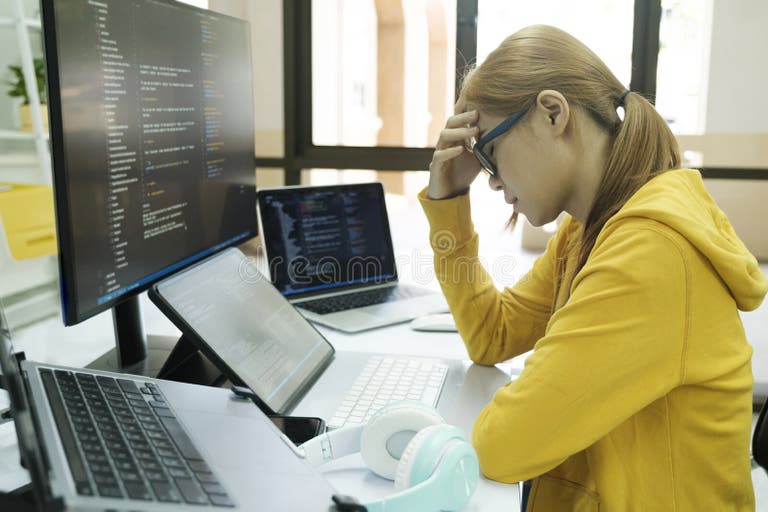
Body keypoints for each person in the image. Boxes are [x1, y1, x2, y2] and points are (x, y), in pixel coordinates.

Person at [419, 25, 767, 511]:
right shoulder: (589, 230)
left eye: (491, 155)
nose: (492, 183)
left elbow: (503, 445)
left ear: (553, 113)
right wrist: (450, 201)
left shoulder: (651, 252)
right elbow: (492, 335)